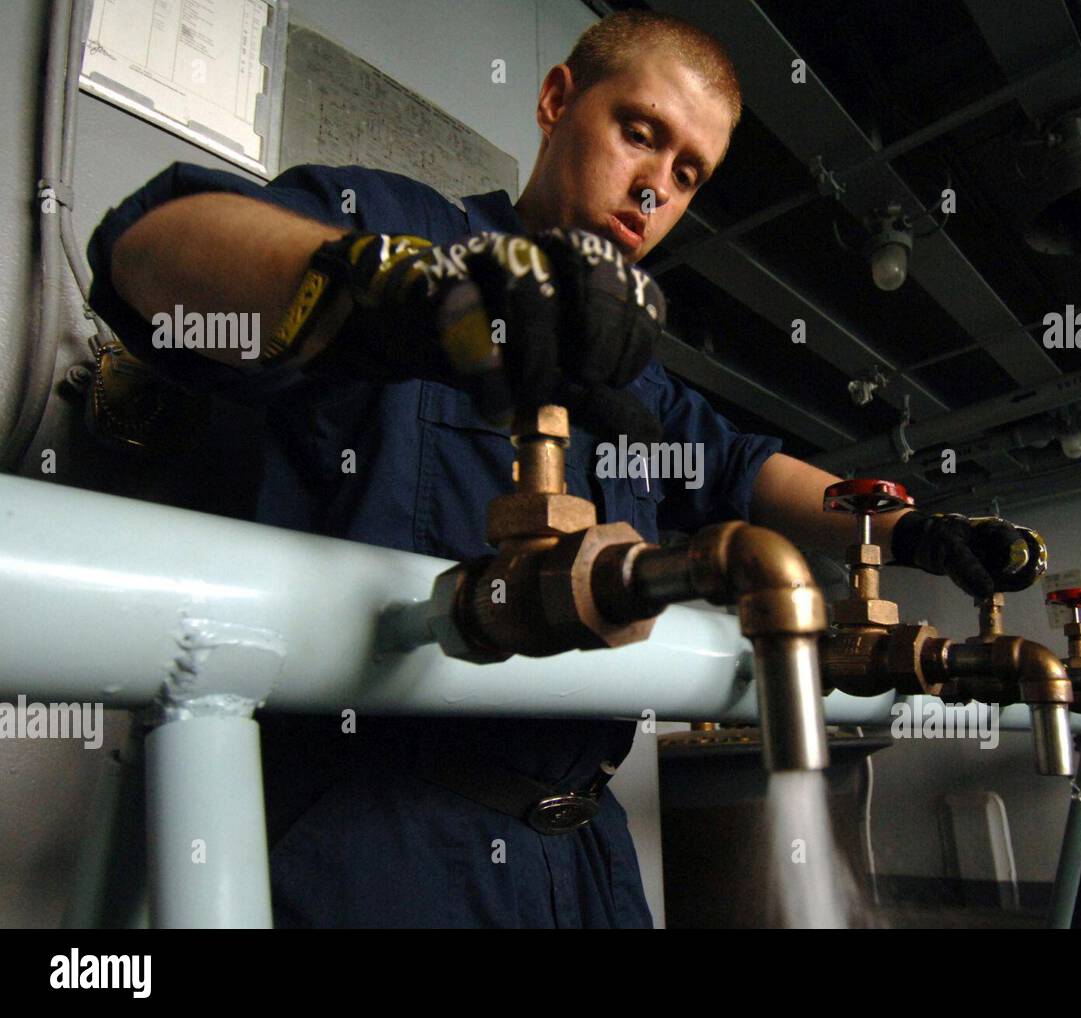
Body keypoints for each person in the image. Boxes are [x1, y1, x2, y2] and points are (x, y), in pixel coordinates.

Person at [86, 10, 1029, 928]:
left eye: (688, 173)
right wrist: (410, 297)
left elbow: (745, 468)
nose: (655, 189)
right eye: (640, 134)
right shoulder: (405, 228)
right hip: (379, 834)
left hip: (582, 842)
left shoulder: (637, 382)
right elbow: (148, 249)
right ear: (554, 99)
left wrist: (915, 531)